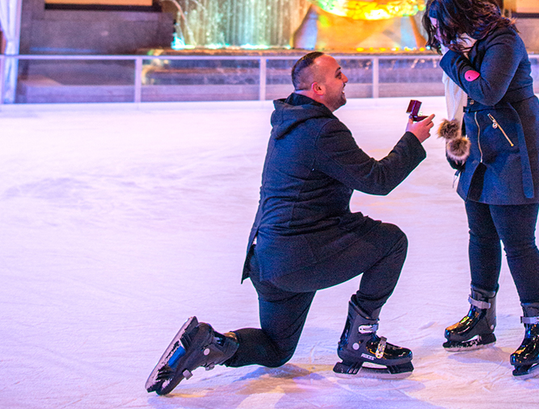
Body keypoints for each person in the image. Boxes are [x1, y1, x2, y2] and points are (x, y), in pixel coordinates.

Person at [146, 51, 434, 395]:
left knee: (276, 348)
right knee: (391, 241)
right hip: (300, 255)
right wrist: (412, 140)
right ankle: (361, 342)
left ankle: (211, 344)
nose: (346, 80)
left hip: (268, 259)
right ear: (318, 88)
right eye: (339, 75)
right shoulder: (322, 129)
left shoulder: (289, 122)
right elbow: (377, 180)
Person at [422, 0, 539, 379]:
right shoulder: (464, 47)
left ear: (459, 18)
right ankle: (480, 316)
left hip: (515, 150)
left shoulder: (502, 39)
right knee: (479, 236)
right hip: (480, 150)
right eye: (435, 31)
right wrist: (454, 140)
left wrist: (453, 61)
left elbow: (488, 89)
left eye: (442, 28)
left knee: (518, 242)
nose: (440, 38)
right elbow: (462, 102)